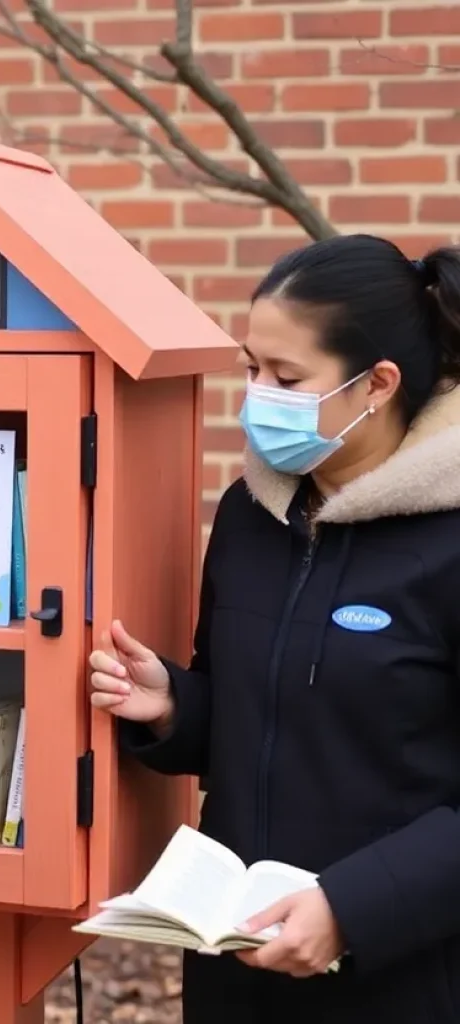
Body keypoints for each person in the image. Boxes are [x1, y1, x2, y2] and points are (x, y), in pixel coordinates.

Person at [89, 235, 460, 1024]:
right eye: (252, 368)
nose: (258, 395)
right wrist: (176, 707)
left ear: (378, 385)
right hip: (235, 969)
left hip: (405, 978)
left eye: (286, 378)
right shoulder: (250, 518)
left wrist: (351, 910)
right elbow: (261, 714)